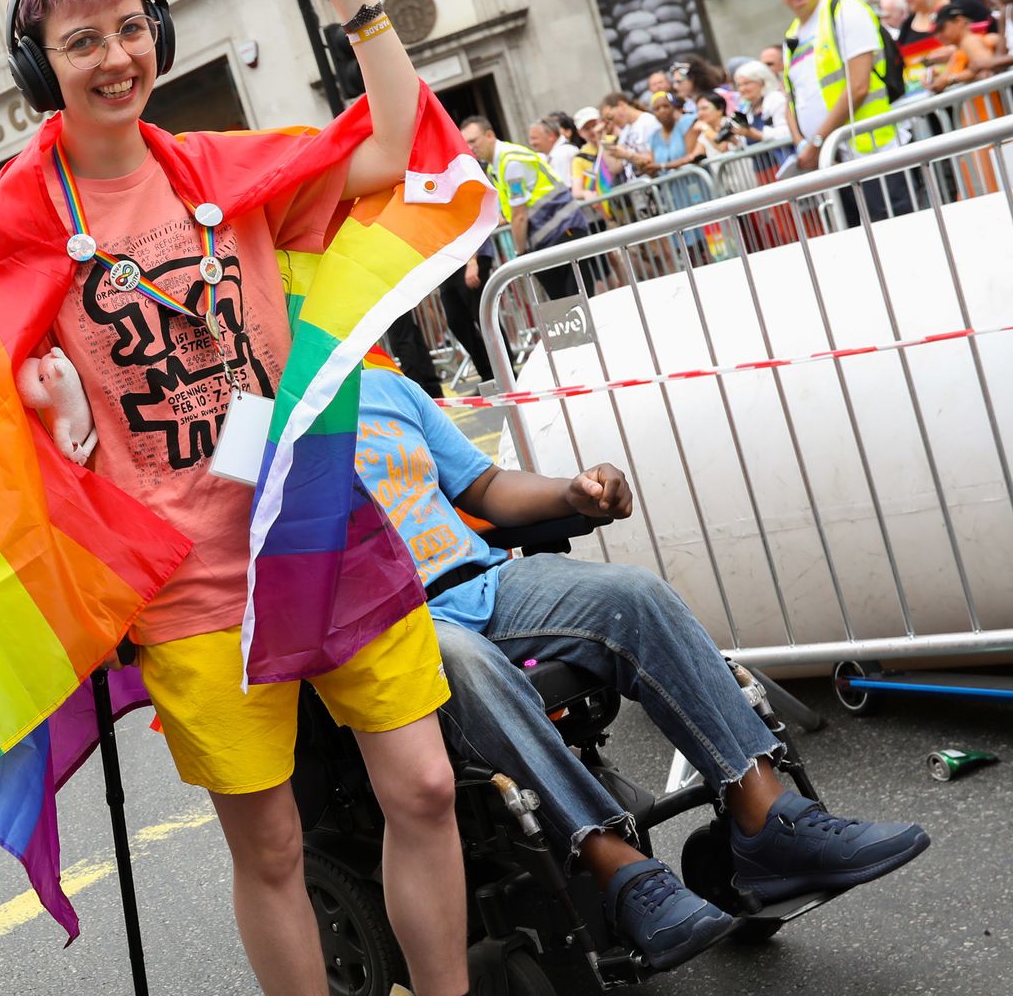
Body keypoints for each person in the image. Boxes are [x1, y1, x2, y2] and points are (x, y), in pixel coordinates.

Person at [0, 0, 471, 992]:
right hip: (182, 579)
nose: (114, 57)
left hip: (314, 523)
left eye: (130, 28)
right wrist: (54, 427)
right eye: (81, 40)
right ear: (39, 67)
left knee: (425, 788)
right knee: (271, 844)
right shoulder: (17, 223)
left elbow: (392, 150)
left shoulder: (224, 174)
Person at [350, 364, 933, 971]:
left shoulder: (383, 386)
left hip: (485, 582)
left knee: (634, 595)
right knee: (464, 662)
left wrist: (570, 493)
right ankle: (621, 874)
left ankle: (769, 820)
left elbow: (486, 486)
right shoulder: (261, 428)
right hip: (388, 621)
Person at [775, 0, 912, 221]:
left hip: (874, 152)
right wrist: (803, 145)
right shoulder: (791, 35)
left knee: (896, 234)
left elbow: (858, 87)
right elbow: (790, 100)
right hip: (833, 162)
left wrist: (816, 142)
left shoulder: (846, 11)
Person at [461, 115, 586, 300]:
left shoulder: (511, 161)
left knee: (580, 303)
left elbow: (519, 215)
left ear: (489, 135)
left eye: (473, 141)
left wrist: (520, 254)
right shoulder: (494, 166)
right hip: (547, 238)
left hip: (563, 233)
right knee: (566, 307)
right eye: (466, 144)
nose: (470, 148)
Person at [927, 1, 1010, 91]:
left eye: (941, 29)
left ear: (959, 21)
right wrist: (935, 78)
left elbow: (987, 69)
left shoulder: (969, 42)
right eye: (935, 33)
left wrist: (950, 79)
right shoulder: (959, 48)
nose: (938, 36)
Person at [598, 92, 659, 181]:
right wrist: (603, 138)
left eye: (610, 117)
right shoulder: (625, 131)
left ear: (621, 105)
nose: (611, 123)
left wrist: (627, 155)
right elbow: (614, 168)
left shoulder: (649, 122)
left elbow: (656, 159)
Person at [729, 61, 792, 139]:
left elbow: (788, 131)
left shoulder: (776, 99)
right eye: (739, 85)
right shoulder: (746, 108)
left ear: (762, 82)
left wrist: (755, 134)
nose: (742, 89)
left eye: (746, 83)